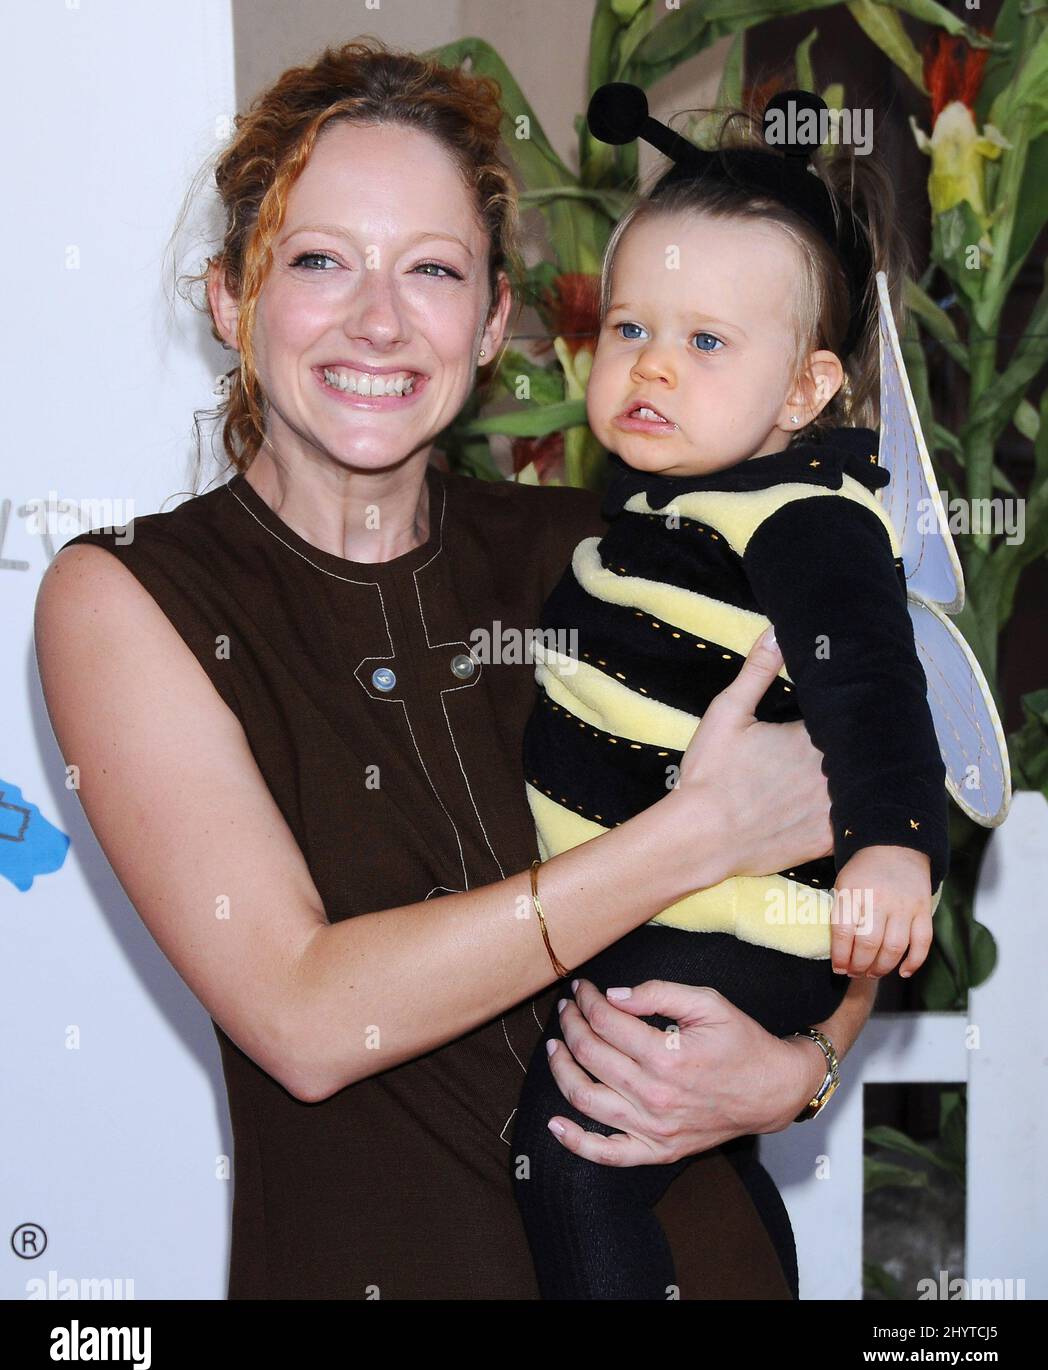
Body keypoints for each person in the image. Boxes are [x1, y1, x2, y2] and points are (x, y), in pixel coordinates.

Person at [33, 38, 877, 1301]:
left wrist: (802, 1061)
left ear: (491, 324)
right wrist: (689, 837)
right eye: (319, 261)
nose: (378, 319)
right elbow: (308, 1016)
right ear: (228, 297)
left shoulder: (598, 555)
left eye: (431, 271)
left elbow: (866, 812)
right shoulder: (129, 596)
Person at [509, 99, 950, 1299]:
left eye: (707, 343)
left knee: (569, 1158)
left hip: (734, 921)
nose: (651, 362)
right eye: (631, 326)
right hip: (676, 912)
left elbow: (871, 686)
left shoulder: (802, 517)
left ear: (805, 392)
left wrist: (893, 851)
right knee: (688, 1160)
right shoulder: (674, 507)